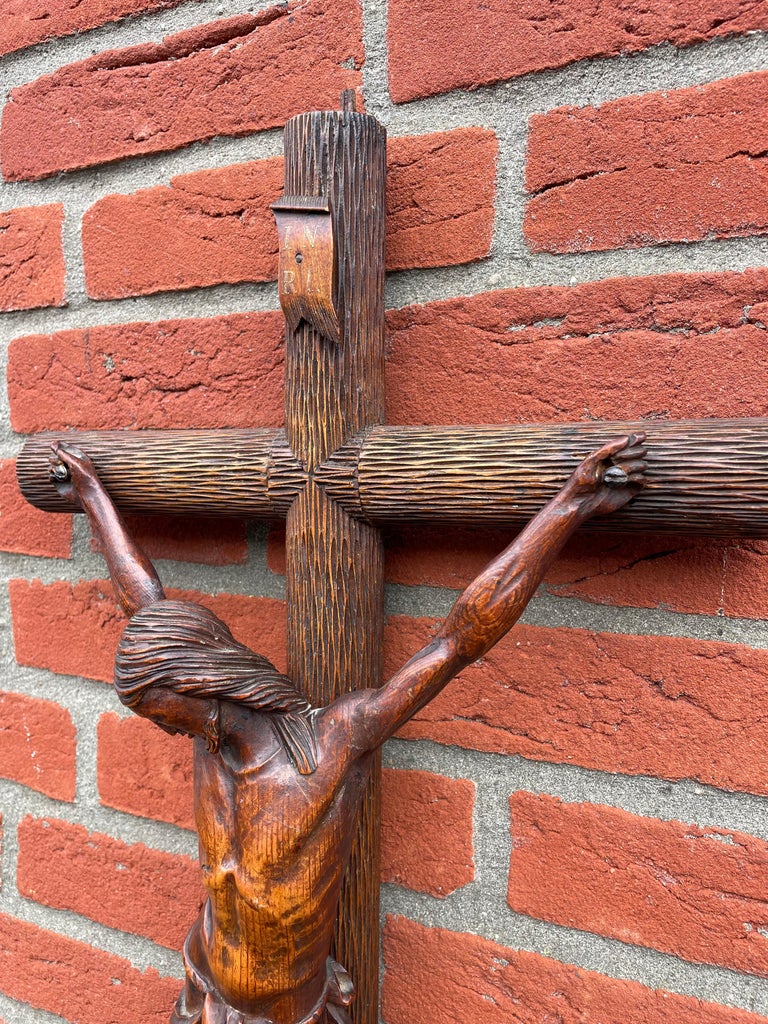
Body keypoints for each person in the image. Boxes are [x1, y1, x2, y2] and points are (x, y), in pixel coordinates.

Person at [50, 435, 646, 1024]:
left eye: (163, 715)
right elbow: (146, 608)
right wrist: (95, 497)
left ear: (204, 685)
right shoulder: (211, 743)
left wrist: (570, 503)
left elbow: (457, 640)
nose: (164, 731)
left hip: (289, 1013)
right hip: (203, 990)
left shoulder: (334, 742)